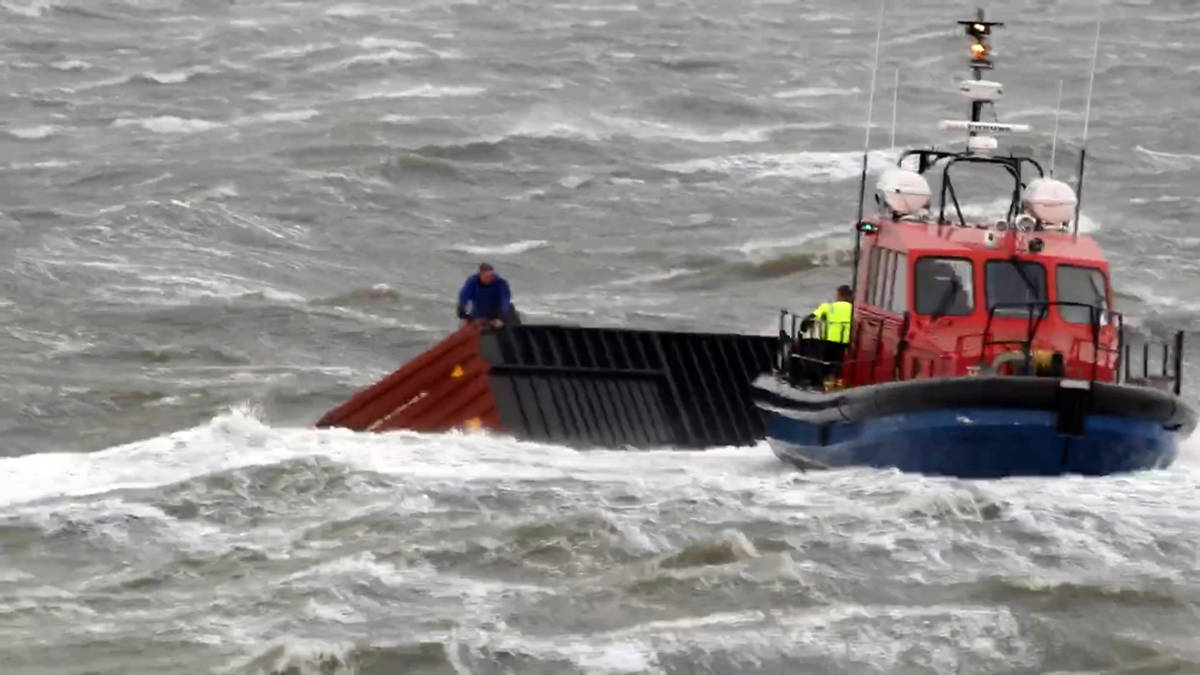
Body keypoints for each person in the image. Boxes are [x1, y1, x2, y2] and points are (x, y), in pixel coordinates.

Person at [457, 263, 519, 328]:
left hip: (500, 313)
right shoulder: (472, 282)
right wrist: (463, 317)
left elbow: (504, 302)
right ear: (480, 275)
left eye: (491, 276)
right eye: (487, 277)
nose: (490, 278)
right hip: (479, 314)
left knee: (510, 312)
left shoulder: (501, 283)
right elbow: (463, 299)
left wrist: (501, 319)